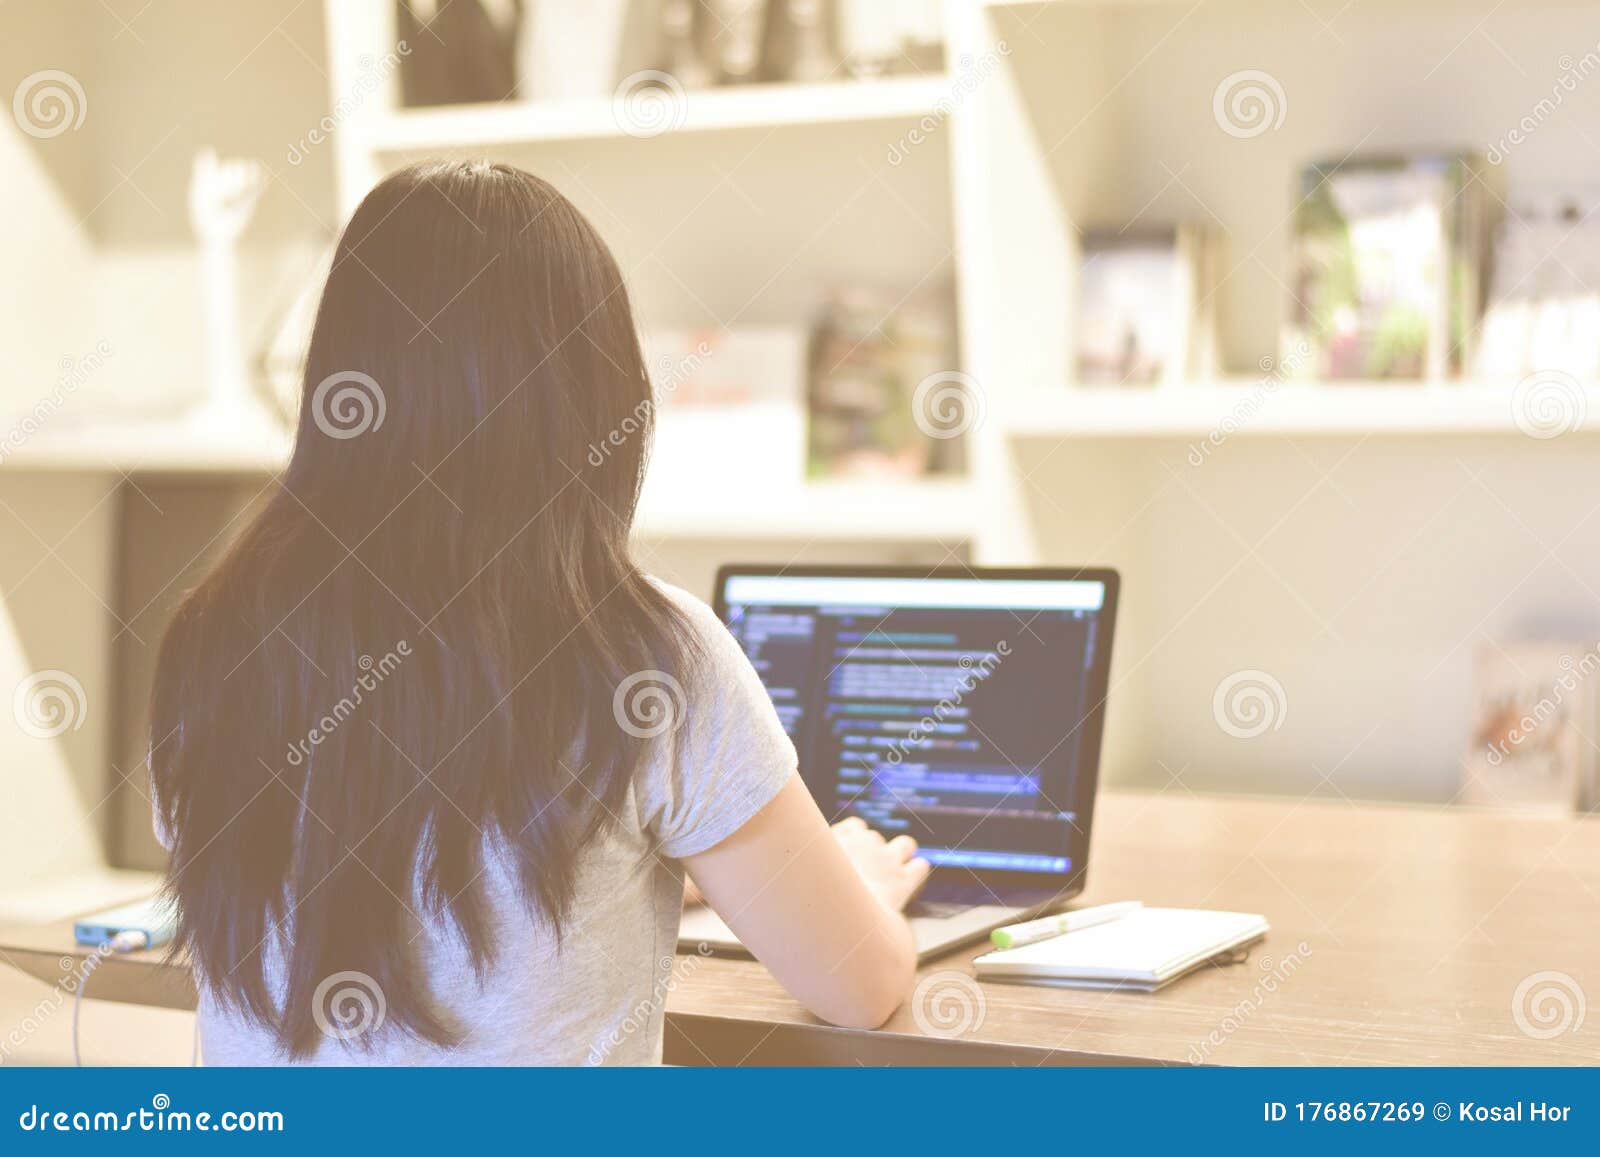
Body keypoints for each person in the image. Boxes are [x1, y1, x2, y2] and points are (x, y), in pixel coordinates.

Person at [148, 160, 929, 1065]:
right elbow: (861, 987)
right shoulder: (645, 655)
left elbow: (396, 850)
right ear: (594, 397)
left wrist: (651, 860)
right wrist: (860, 889)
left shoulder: (210, 642)